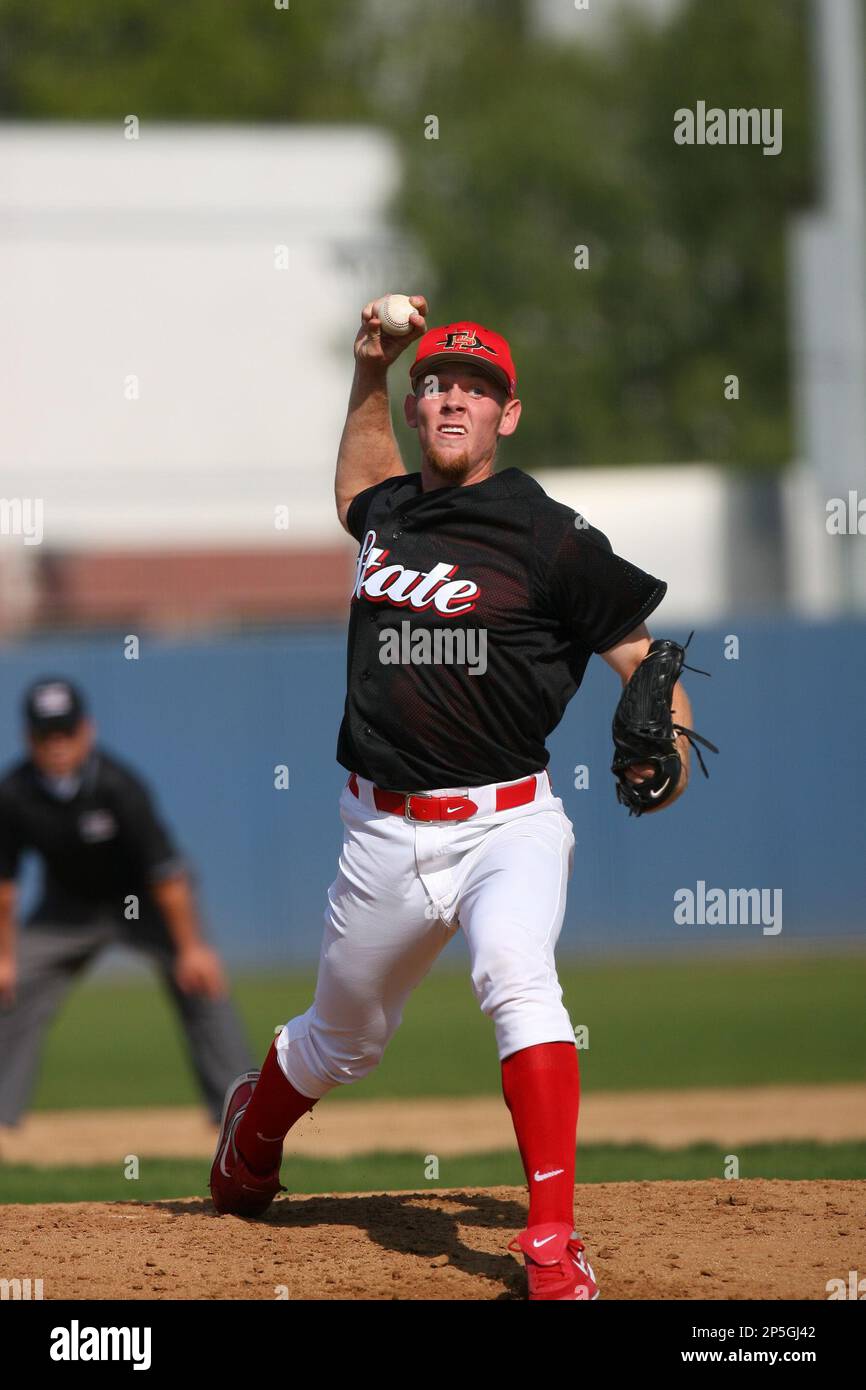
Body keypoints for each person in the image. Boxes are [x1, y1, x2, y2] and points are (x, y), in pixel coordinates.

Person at [210, 296, 699, 1302]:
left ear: (504, 415)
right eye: (435, 384)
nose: (448, 400)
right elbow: (354, 481)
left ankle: (550, 1241)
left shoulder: (549, 537)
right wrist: (367, 372)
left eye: (473, 388)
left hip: (506, 823)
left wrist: (674, 746)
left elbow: (643, 659)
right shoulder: (391, 509)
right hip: (379, 830)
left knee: (517, 978)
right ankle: (248, 1147)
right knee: (338, 1040)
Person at [0, 677, 254, 1130]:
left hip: (147, 903)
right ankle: (2, 1119)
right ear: (28, 738)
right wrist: (4, 958)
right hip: (68, 910)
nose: (57, 744)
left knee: (202, 983)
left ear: (87, 731)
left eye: (66, 731)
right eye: (45, 734)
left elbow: (167, 874)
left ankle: (242, 1114)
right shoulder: (15, 793)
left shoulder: (118, 785)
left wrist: (192, 948)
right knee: (10, 986)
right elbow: (4, 886)